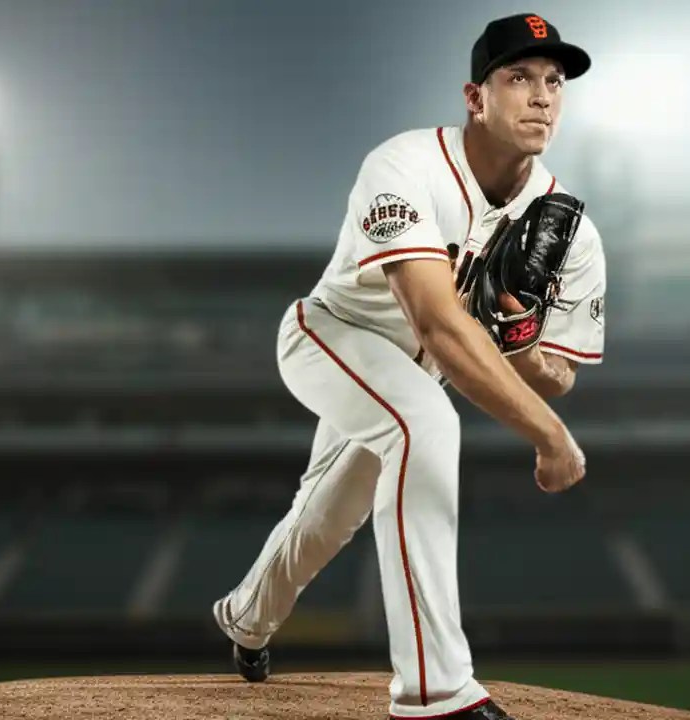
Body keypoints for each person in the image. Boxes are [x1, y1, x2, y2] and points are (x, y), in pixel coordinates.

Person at [213, 12, 606, 719]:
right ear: (474, 96)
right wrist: (551, 435)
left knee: (327, 516)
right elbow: (435, 322)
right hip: (331, 335)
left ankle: (245, 619)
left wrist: (519, 337)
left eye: (554, 80)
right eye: (518, 77)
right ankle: (438, 692)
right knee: (423, 422)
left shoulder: (568, 228)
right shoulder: (405, 166)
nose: (542, 94)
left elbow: (557, 375)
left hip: (412, 374)